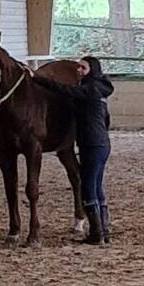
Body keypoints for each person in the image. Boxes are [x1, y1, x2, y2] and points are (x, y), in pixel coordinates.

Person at [33, 55, 115, 245]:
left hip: (91, 144)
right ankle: (103, 230)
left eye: (83, 68)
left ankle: (96, 233)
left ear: (92, 71)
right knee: (96, 186)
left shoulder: (89, 89)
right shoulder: (99, 89)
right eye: (78, 67)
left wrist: (37, 78)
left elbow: (63, 89)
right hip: (102, 143)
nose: (78, 70)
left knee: (88, 187)